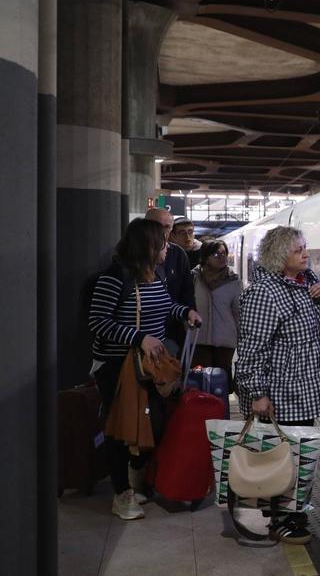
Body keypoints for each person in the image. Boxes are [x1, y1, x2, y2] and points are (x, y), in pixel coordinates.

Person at [235, 226, 320, 545]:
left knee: (301, 455)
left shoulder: (307, 281)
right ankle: (282, 518)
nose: (306, 254)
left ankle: (293, 512)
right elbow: (251, 351)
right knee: (286, 458)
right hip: (283, 393)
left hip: (305, 390)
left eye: (304, 247)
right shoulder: (265, 293)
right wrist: (257, 393)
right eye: (298, 250)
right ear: (279, 255)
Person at [88, 218, 201, 520]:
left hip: (149, 365)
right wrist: (139, 338)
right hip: (118, 366)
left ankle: (137, 472)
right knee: (120, 427)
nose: (168, 248)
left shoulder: (154, 275)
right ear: (148, 246)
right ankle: (122, 493)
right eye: (163, 243)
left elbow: (164, 305)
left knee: (155, 421)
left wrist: (185, 312)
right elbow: (97, 322)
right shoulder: (115, 277)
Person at [146, 208, 195, 351]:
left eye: (167, 227)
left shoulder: (178, 254)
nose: (163, 231)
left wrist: (188, 313)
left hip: (172, 329)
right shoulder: (128, 264)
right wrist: (139, 338)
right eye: (158, 226)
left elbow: (186, 290)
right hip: (140, 337)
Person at [190, 239, 241, 377]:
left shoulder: (234, 281)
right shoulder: (193, 278)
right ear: (206, 257)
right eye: (217, 254)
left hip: (225, 341)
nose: (222, 257)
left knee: (221, 379)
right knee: (199, 378)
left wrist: (241, 338)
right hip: (198, 339)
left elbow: (238, 312)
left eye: (224, 253)